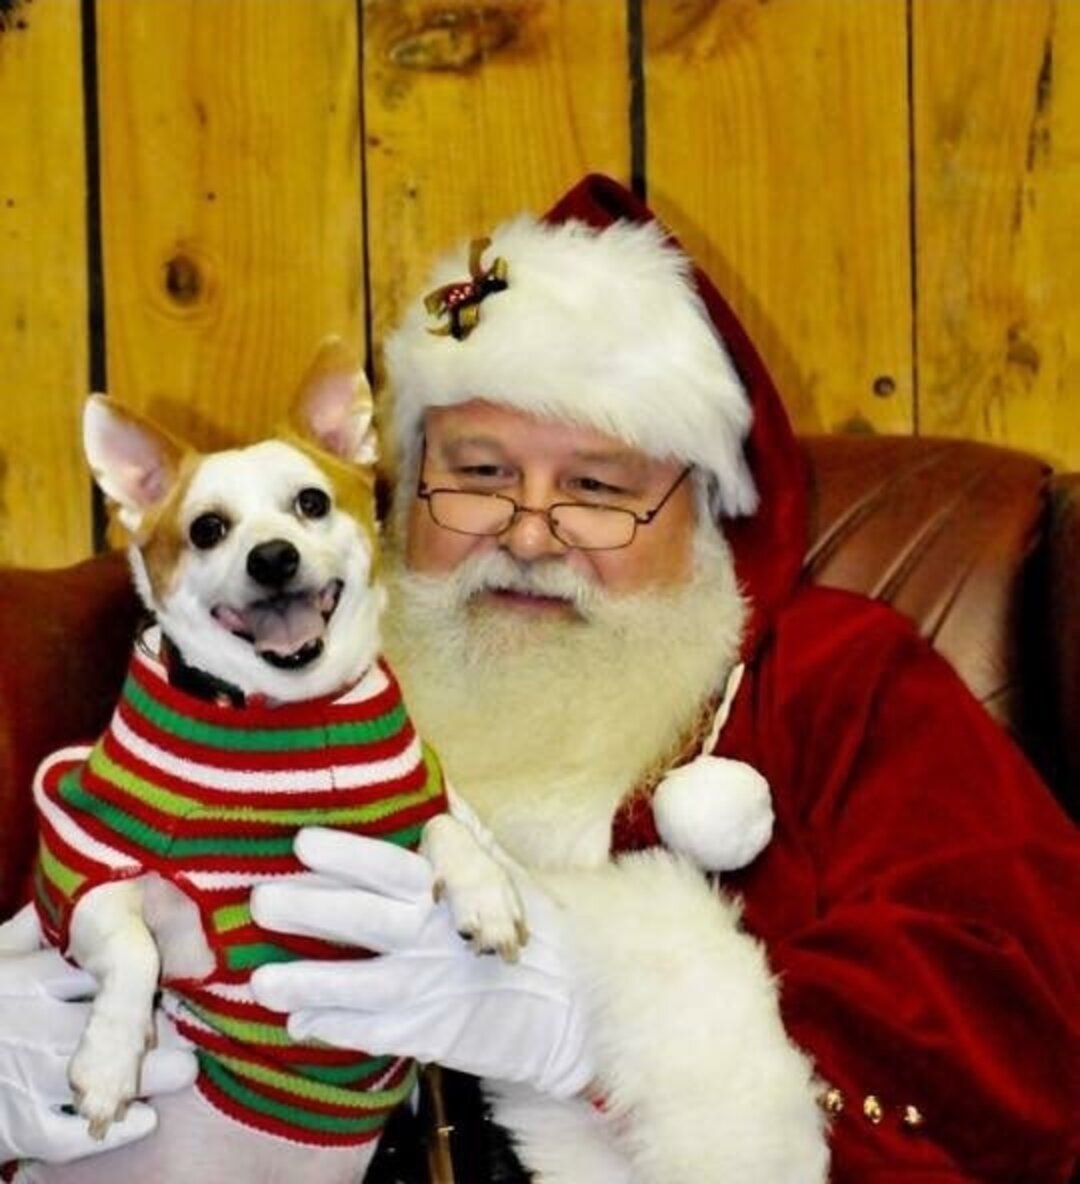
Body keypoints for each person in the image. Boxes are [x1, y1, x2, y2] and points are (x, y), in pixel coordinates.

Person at [2, 175, 1078, 1183]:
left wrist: (617, 1031)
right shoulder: (232, 675)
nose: (527, 532)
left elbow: (1017, 1021)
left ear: (703, 511)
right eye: (476, 476)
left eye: (599, 487)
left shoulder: (835, 679)